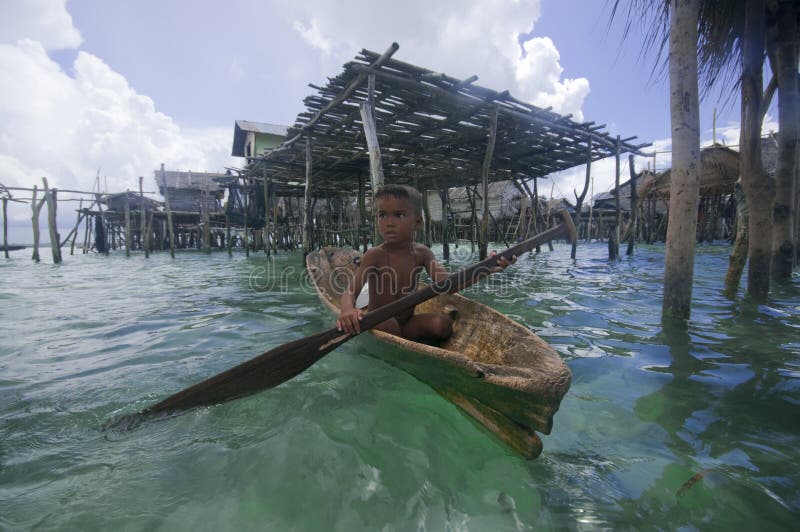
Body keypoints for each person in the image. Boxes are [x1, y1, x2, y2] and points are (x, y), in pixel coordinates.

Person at [336, 184, 514, 342]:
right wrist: (347, 310)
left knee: (442, 326)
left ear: (418, 222)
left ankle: (405, 342)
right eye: (382, 215)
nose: (389, 223)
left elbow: (448, 285)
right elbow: (350, 291)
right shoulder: (374, 255)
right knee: (389, 324)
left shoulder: (423, 253)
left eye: (399, 215)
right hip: (379, 321)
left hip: (407, 324)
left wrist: (487, 268)